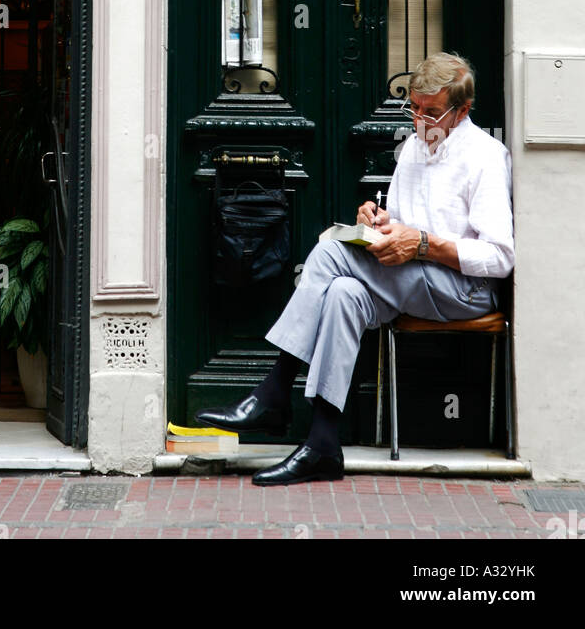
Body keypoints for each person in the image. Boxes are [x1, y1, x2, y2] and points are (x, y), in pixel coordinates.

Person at [195, 51, 515, 485]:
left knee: (329, 254)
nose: (420, 121)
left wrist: (424, 243)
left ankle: (274, 390)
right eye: (414, 109)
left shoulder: (486, 156)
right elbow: (400, 224)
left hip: (465, 291)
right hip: (409, 281)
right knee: (343, 293)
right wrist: (379, 222)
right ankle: (323, 444)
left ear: (463, 110)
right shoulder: (413, 148)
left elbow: (500, 257)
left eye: (432, 113)